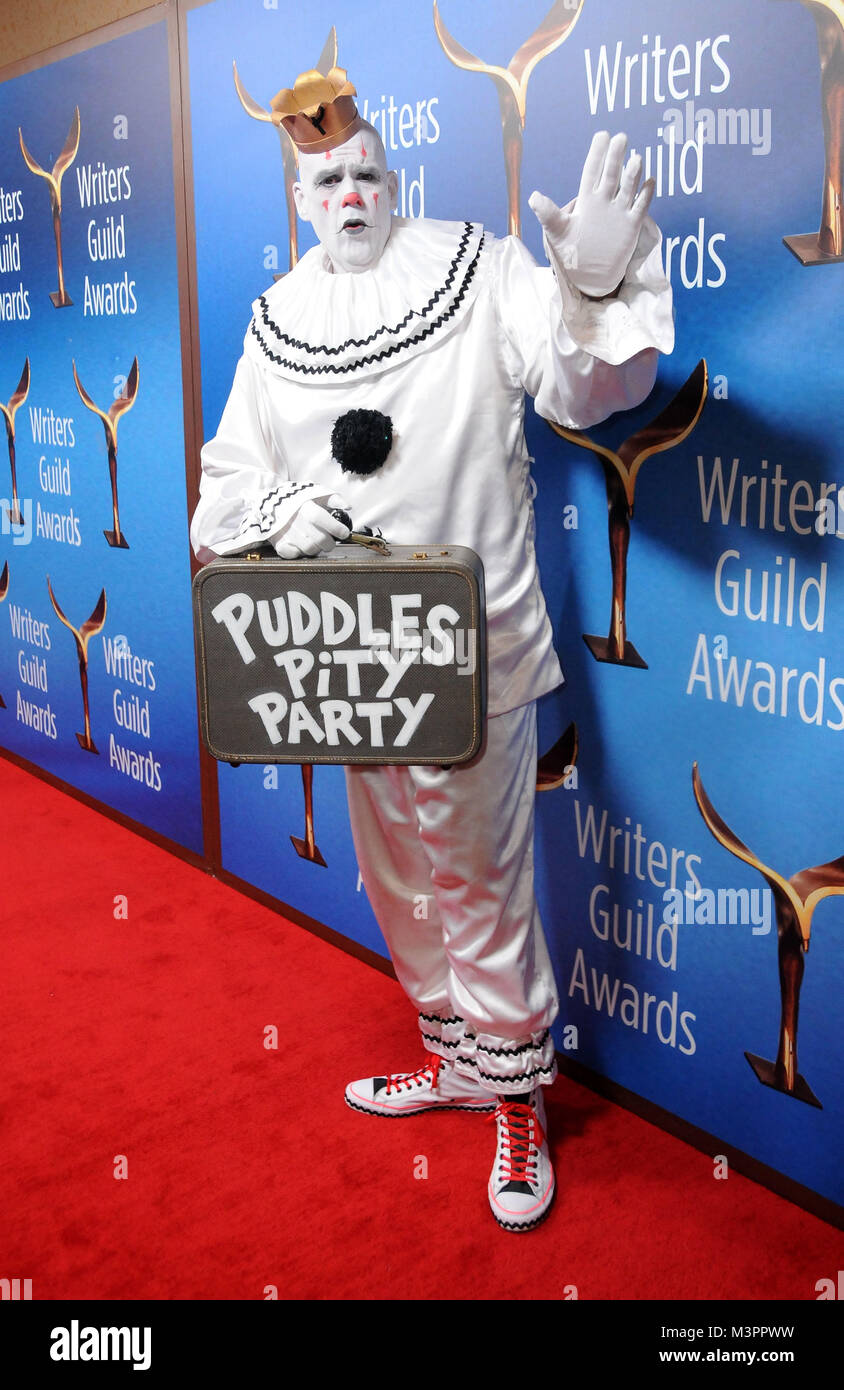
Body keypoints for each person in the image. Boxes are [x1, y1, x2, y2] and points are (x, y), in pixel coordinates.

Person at [191, 64, 674, 1232]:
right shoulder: (274, 320)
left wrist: (592, 283)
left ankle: (515, 1092)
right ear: (302, 199)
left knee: (482, 878)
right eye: (325, 181)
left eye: (363, 173)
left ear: (387, 177)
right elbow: (222, 493)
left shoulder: (475, 267)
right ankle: (454, 1057)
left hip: (475, 651)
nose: (348, 194)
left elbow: (585, 389)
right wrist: (282, 516)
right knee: (400, 878)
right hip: (347, 661)